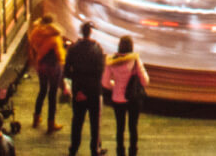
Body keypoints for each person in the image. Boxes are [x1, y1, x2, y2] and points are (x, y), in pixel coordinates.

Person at [64, 21, 106, 156]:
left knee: (77, 121)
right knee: (95, 123)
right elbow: (100, 72)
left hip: (78, 92)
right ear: (91, 32)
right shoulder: (97, 49)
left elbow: (66, 71)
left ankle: (74, 149)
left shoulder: (73, 49)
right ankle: (95, 150)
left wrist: (79, 87)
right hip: (94, 92)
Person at [102, 34, 148, 156]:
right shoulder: (135, 60)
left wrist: (115, 86)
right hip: (133, 99)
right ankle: (133, 152)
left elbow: (105, 83)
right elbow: (145, 81)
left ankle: (120, 152)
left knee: (119, 128)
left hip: (117, 98)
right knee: (133, 127)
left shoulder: (111, 61)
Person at [27, 13, 66, 131]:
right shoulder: (55, 36)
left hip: (41, 65)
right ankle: (51, 122)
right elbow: (60, 55)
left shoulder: (35, 33)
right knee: (52, 94)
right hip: (53, 67)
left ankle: (36, 117)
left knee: (42, 90)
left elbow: (33, 47)